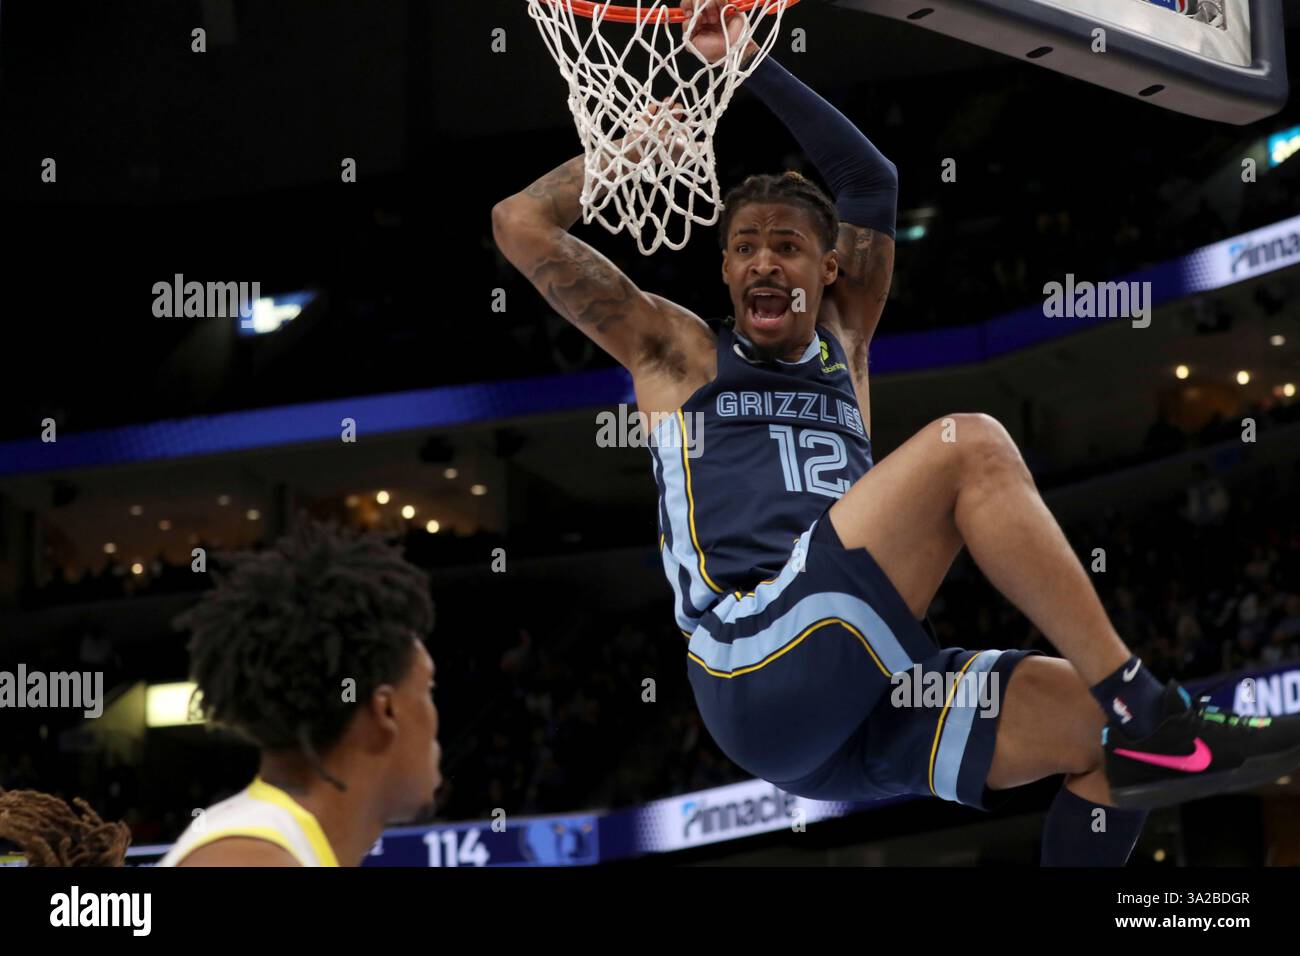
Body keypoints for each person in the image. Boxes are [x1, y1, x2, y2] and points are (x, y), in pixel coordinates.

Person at [493, 0, 1300, 865]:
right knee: (973, 445)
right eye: (745, 248)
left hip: (865, 692)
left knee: (1100, 742)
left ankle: (1129, 726)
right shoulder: (676, 352)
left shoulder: (846, 340)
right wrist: (619, 155)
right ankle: (1146, 701)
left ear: (830, 266)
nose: (764, 261)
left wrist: (749, 62)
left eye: (788, 247)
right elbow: (519, 225)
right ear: (724, 267)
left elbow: (869, 181)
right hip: (753, 661)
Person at [159, 520, 442, 867]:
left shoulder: (278, 845)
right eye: (427, 689)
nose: (435, 717)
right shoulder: (249, 859)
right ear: (385, 712)